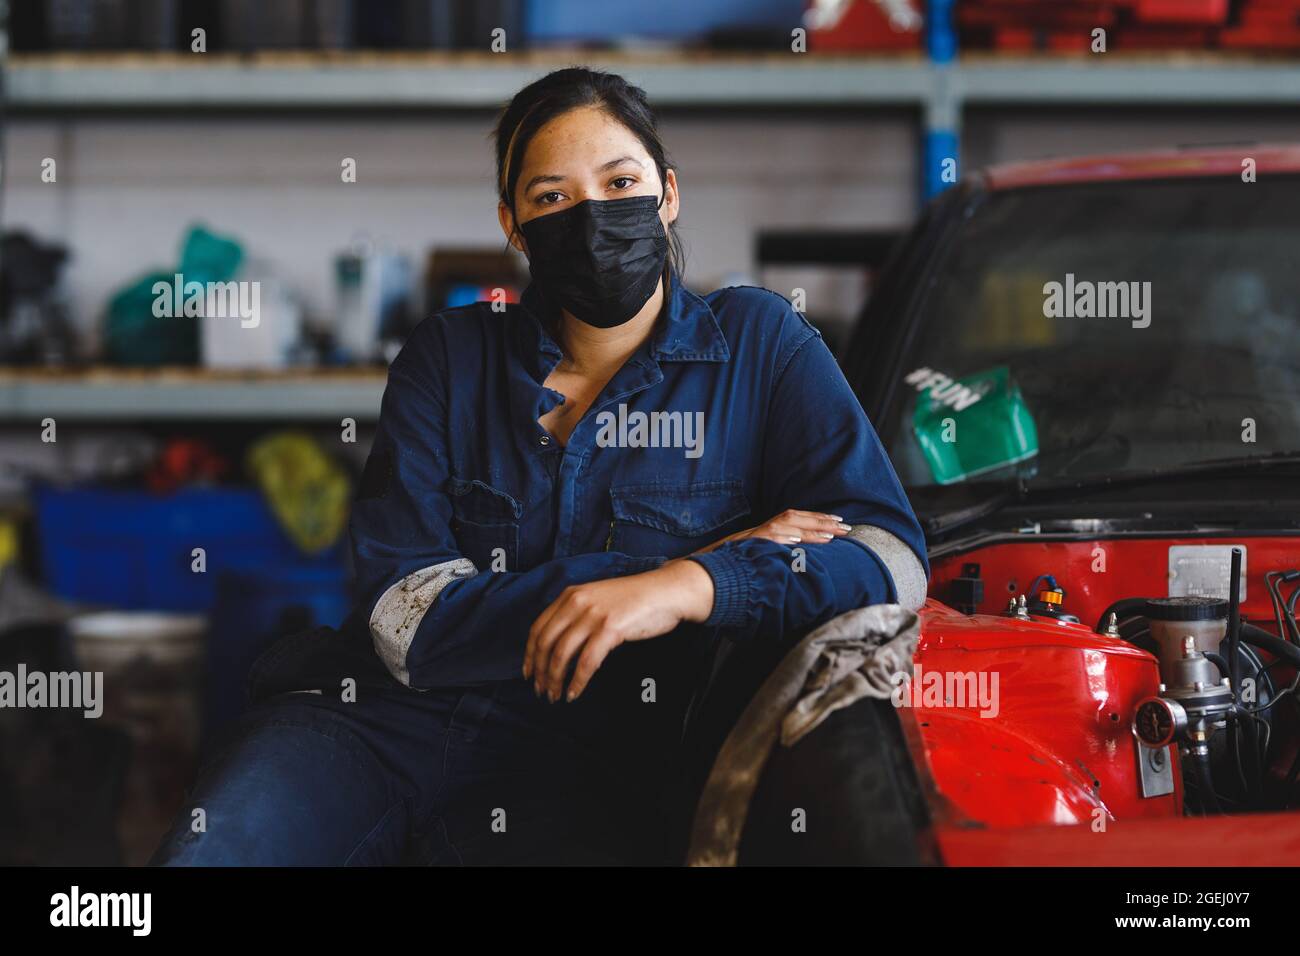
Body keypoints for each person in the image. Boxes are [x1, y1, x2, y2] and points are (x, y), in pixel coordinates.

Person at [150, 66, 928, 866]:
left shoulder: (759, 346)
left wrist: (692, 589)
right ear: (513, 226)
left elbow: (891, 561)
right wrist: (669, 573)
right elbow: (403, 618)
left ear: (666, 195)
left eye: (619, 182)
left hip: (606, 759)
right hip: (378, 726)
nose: (591, 218)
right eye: (552, 197)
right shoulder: (448, 359)